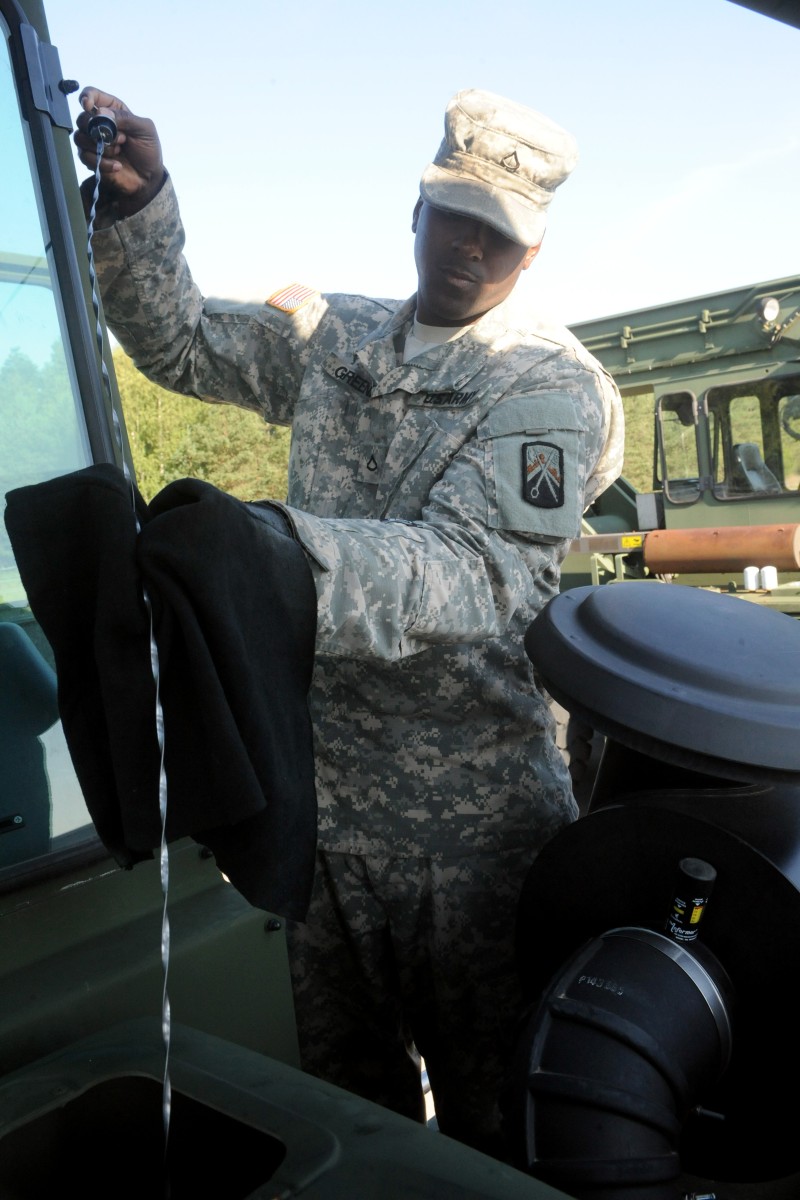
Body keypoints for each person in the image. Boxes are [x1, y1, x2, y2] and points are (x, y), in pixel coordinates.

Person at [74, 85, 624, 1158]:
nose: (468, 246)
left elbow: (480, 576)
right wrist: (139, 207)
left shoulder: (549, 392)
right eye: (452, 215)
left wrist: (275, 558)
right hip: (320, 819)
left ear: (533, 252)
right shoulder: (338, 339)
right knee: (342, 1121)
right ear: (415, 213)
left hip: (470, 841)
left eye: (497, 234)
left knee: (494, 1128)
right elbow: (179, 344)